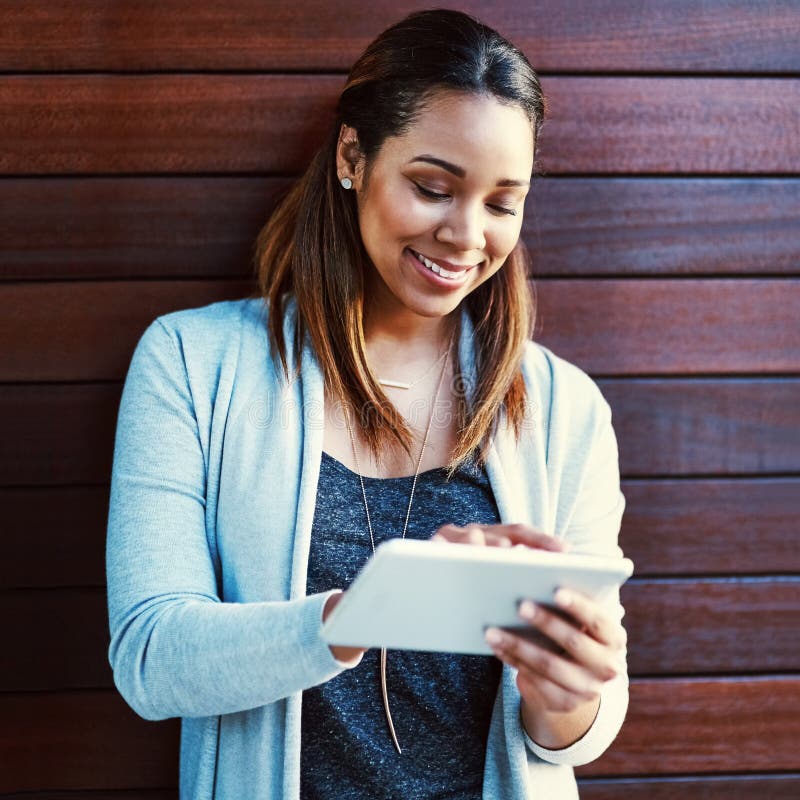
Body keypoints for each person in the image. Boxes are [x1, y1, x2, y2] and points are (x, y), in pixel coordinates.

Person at [106, 8, 629, 799]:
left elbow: (575, 735)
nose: (464, 234)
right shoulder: (191, 363)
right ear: (353, 155)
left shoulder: (566, 408)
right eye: (431, 187)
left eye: (501, 203)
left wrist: (573, 696)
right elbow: (151, 659)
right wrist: (365, 612)